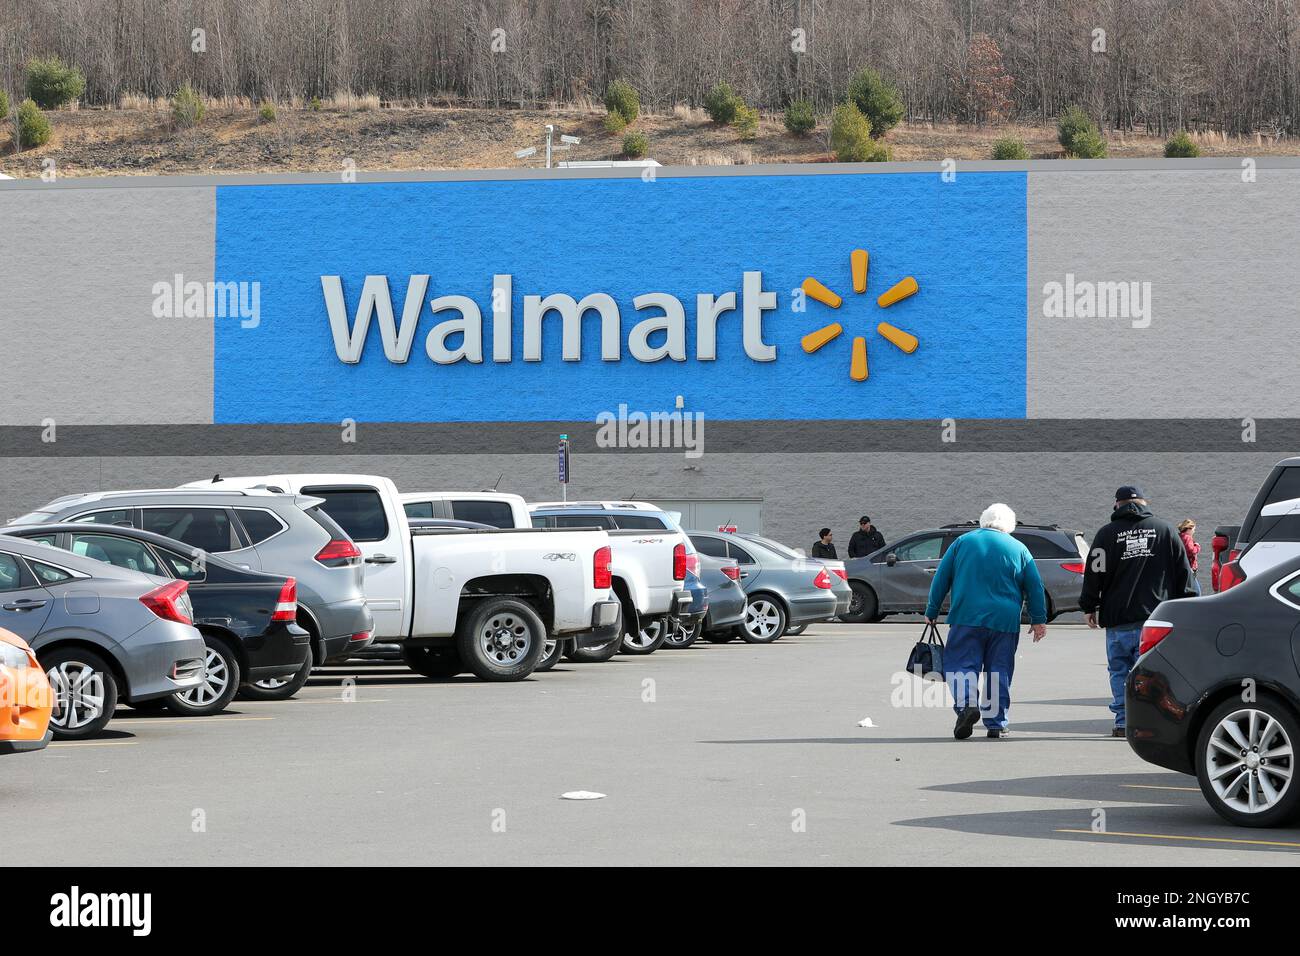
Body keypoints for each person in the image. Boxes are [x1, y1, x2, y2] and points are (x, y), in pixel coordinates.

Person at [924, 503, 1048, 740]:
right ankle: (996, 723)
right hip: (1005, 620)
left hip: (966, 616)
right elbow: (1034, 587)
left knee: (961, 664)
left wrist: (932, 609)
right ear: (1009, 525)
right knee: (998, 670)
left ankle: (967, 704)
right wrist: (1038, 619)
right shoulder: (1019, 548)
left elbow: (942, 577)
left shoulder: (962, 543)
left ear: (984, 520)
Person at [1080, 485, 1194, 738]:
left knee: (1120, 672)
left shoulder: (1106, 535)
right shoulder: (1165, 531)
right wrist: (1186, 606)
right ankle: (1152, 724)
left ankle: (1123, 722)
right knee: (1155, 674)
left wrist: (1089, 605)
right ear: (1145, 502)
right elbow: (1183, 573)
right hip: (1157, 620)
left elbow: (1094, 573)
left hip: (1118, 618)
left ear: (1116, 505)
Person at [1178, 519, 1201, 595]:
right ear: (1189, 529)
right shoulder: (1187, 537)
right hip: (1190, 568)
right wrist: (1197, 546)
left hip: (1183, 567)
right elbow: (1191, 551)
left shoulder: (1179, 536)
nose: (1194, 532)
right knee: (1197, 592)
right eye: (1193, 530)